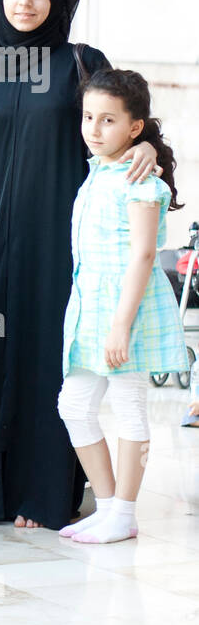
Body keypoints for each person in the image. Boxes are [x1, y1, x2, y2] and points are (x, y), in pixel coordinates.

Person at [0, 0, 158, 530]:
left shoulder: (81, 62)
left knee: (47, 370)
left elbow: (124, 126)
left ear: (56, 0)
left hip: (67, 248)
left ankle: (44, 492)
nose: (24, 3)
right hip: (0, 251)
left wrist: (149, 147)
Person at [56, 69, 186, 543]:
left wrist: (120, 326)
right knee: (74, 405)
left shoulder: (141, 181)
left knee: (130, 406)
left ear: (134, 127)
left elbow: (144, 255)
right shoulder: (97, 173)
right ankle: (110, 506)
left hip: (124, 311)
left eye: (108, 120)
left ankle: (125, 512)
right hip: (90, 307)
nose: (94, 128)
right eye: (89, 116)